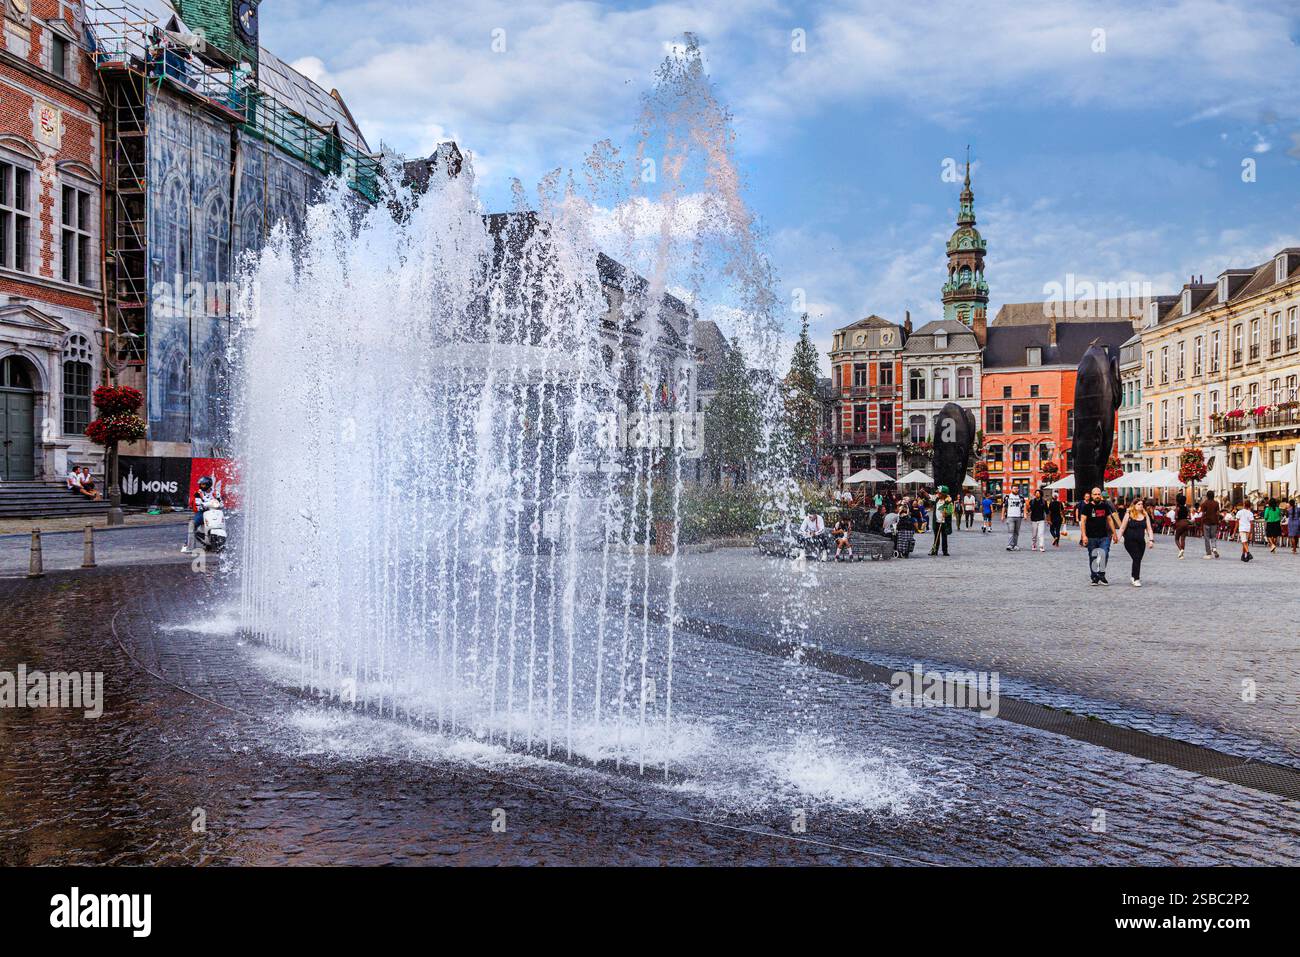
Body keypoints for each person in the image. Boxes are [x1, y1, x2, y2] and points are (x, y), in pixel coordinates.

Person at [1079, 486, 1117, 585]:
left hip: (1104, 536)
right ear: (1091, 495)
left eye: (1098, 494)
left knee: (1105, 553)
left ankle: (1101, 574)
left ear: (1101, 495)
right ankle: (1094, 577)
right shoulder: (1086, 507)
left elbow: (1109, 519)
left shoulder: (1105, 506)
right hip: (1091, 537)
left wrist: (1114, 533)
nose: (1097, 496)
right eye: (1095, 494)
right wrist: (1083, 536)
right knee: (1093, 557)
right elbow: (1083, 522)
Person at [1117, 498, 1155, 586]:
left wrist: (1151, 540)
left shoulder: (1145, 515)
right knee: (1137, 558)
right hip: (1129, 541)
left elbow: (1149, 529)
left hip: (1141, 542)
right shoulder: (1129, 514)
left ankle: (1133, 576)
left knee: (1137, 559)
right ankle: (1136, 579)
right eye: (1138, 504)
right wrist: (1117, 538)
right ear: (1134, 505)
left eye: (1141, 504)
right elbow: (1122, 528)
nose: (1141, 506)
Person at [183, 476, 223, 554]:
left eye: (203, 485)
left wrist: (218, 505)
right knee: (193, 524)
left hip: (214, 512)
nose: (201, 486)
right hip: (203, 513)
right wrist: (206, 505)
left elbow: (221, 504)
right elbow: (198, 506)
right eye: (201, 485)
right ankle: (187, 545)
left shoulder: (216, 493)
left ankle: (219, 541)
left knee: (223, 522)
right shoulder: (198, 493)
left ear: (208, 484)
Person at [930, 487, 955, 556]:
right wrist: (923, 492)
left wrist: (946, 513)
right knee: (936, 537)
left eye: (939, 493)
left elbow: (951, 511)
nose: (937, 493)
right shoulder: (937, 499)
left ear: (943, 494)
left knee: (944, 537)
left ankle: (945, 551)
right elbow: (929, 497)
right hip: (937, 521)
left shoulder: (948, 501)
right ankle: (934, 550)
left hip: (944, 522)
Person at [1198, 490, 1221, 559]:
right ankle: (1214, 548)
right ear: (1213, 496)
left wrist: (1201, 523)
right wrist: (1218, 522)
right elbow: (1217, 513)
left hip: (1206, 522)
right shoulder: (1216, 503)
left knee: (1207, 538)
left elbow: (1203, 514)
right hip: (1214, 522)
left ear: (1207, 496)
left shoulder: (1204, 503)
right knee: (1213, 537)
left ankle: (1208, 553)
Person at [1172, 492, 1191, 559]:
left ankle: (1181, 550)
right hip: (1186, 523)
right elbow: (1190, 517)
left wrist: (1177, 517)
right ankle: (1181, 555)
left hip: (1180, 523)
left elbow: (1175, 517)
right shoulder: (1187, 508)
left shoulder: (1177, 508)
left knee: (1176, 539)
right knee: (1183, 539)